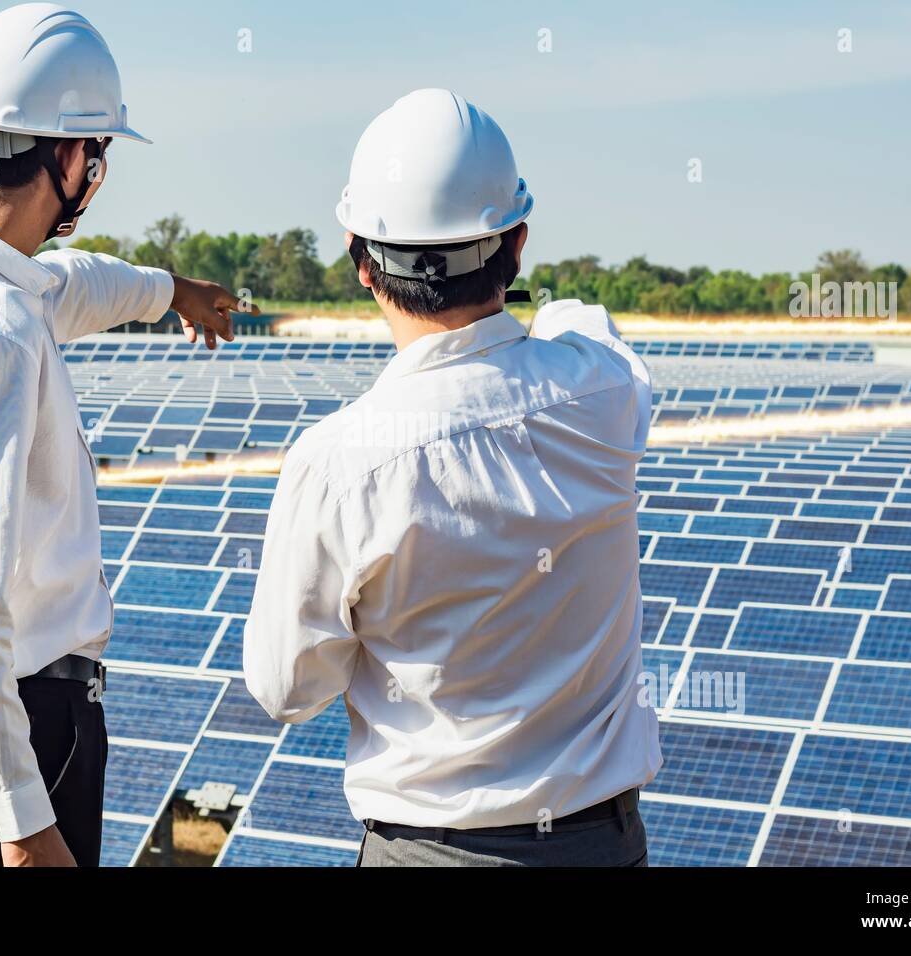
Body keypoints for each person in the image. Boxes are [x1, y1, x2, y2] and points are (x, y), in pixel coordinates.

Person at [0, 3, 250, 867]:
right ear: (71, 157)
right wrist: (23, 824)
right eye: (98, 153)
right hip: (16, 726)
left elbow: (65, 285)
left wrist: (168, 289)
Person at [244, 89, 660, 866]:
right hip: (602, 845)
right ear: (517, 244)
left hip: (427, 850)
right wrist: (552, 311)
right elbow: (592, 330)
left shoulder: (338, 461)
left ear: (360, 261)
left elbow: (288, 690)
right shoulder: (603, 395)